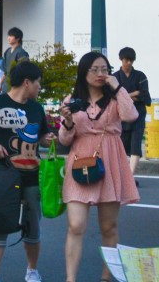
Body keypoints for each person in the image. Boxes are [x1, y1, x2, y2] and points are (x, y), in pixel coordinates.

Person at [58, 51, 139, 282]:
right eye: (95, 69)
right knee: (75, 225)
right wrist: (68, 121)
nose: (101, 74)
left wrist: (117, 87)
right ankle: (70, 279)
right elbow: (64, 139)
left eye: (105, 69)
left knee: (109, 227)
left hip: (111, 161)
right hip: (80, 162)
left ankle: (106, 277)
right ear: (84, 72)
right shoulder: (71, 100)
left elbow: (131, 115)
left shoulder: (115, 98)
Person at [0, 60, 53, 282]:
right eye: (38, 83)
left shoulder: (36, 108)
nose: (39, 87)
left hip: (32, 177)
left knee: (32, 227)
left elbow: (42, 138)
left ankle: (32, 271)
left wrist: (49, 139)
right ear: (27, 82)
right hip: (0, 175)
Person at [113, 47, 150, 175]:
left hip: (138, 114)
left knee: (136, 143)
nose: (129, 63)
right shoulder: (115, 77)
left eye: (131, 60)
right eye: (126, 60)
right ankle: (123, 175)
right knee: (122, 144)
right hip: (121, 115)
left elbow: (144, 95)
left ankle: (130, 176)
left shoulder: (140, 75)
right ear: (121, 59)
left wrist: (124, 95)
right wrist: (134, 94)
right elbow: (112, 95)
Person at [0, 28, 30, 93]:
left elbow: (24, 72)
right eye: (8, 36)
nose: (8, 38)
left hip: (16, 86)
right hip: (5, 86)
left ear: (18, 38)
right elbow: (5, 71)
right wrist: (0, 84)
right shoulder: (7, 51)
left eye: (11, 36)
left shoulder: (21, 52)